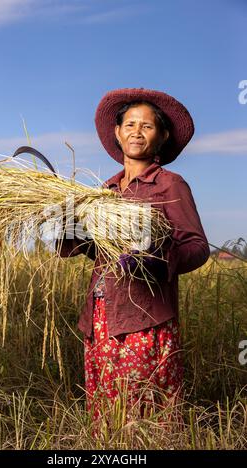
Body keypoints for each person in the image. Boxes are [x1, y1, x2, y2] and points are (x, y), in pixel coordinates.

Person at [57, 88, 210, 430]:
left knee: (144, 416)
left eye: (147, 126)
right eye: (129, 124)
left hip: (144, 317)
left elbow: (197, 246)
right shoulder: (103, 193)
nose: (136, 132)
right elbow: (79, 250)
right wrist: (66, 224)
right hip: (100, 317)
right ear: (117, 132)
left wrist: (159, 259)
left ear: (163, 136)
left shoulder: (169, 185)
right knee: (106, 415)